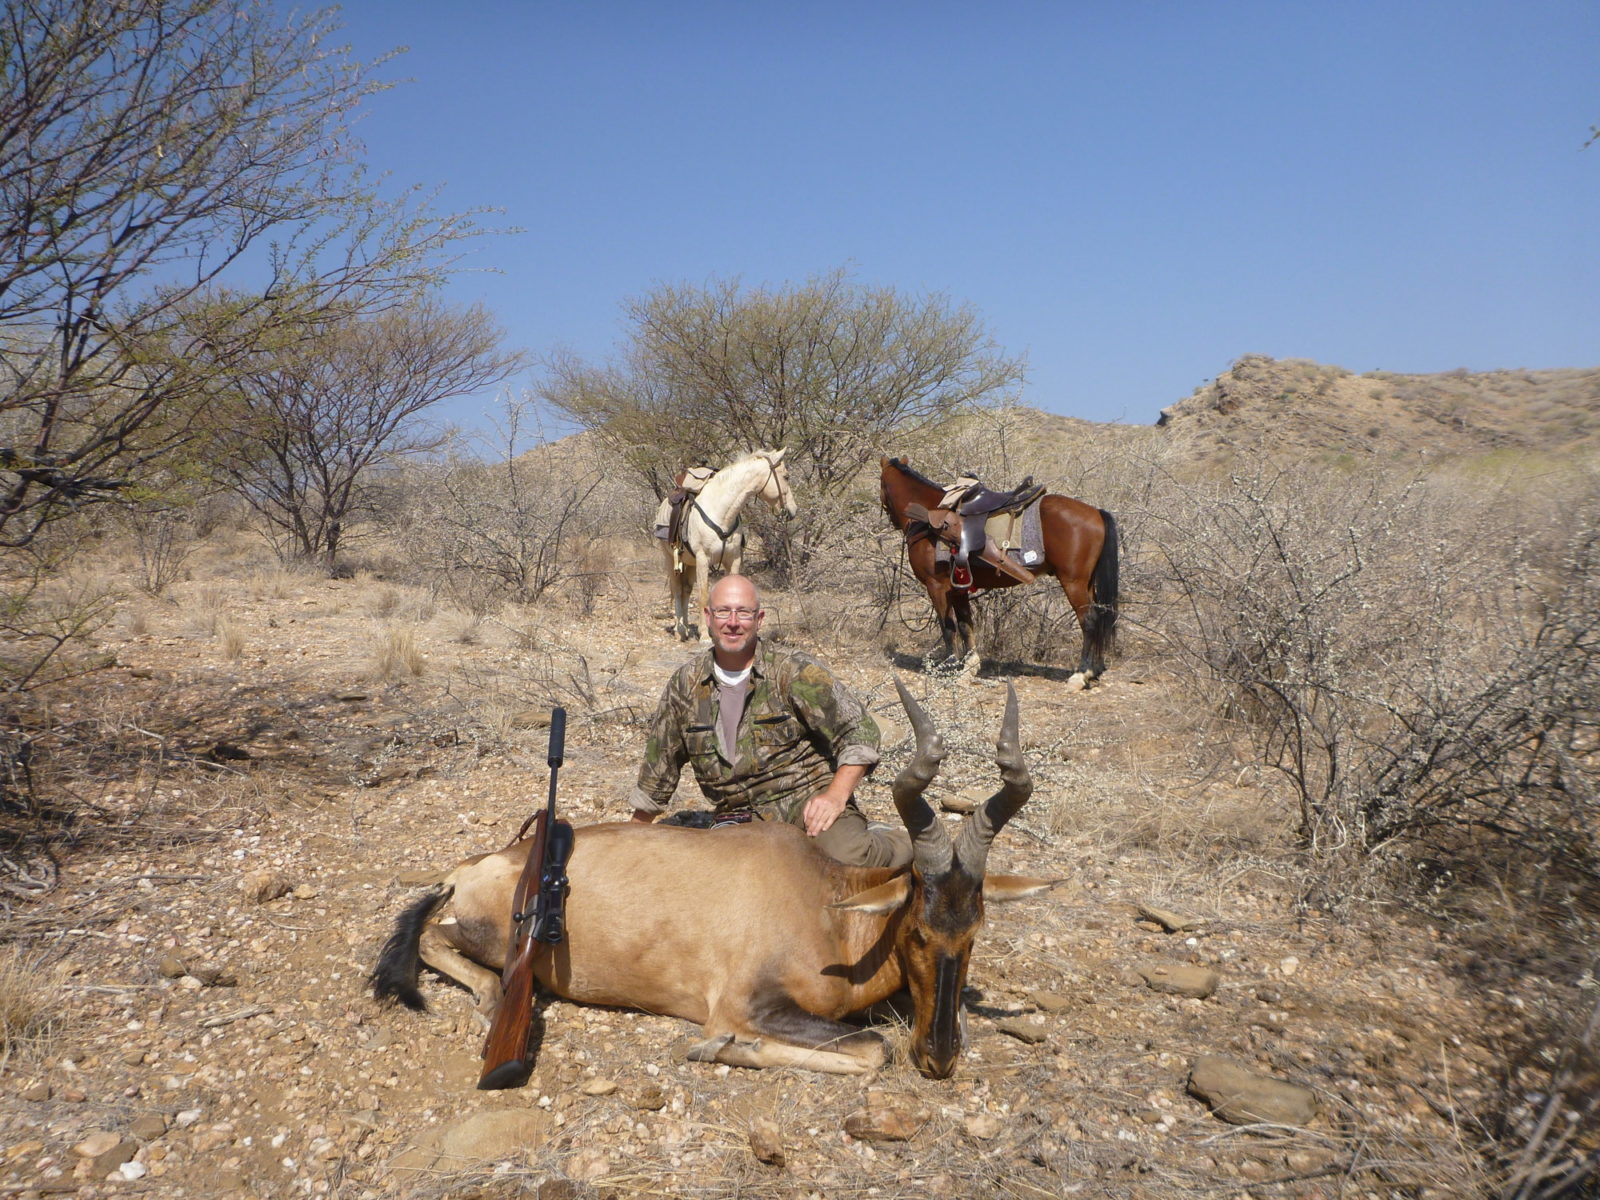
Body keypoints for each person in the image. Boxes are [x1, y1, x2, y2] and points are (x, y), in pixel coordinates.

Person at [629, 574, 912, 869]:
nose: (733, 622)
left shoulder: (794, 671)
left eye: (744, 612)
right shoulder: (684, 684)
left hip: (806, 805)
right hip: (739, 819)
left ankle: (893, 841)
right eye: (723, 611)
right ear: (708, 617)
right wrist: (632, 837)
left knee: (848, 861)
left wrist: (835, 797)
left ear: (760, 618)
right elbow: (658, 770)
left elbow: (860, 732)